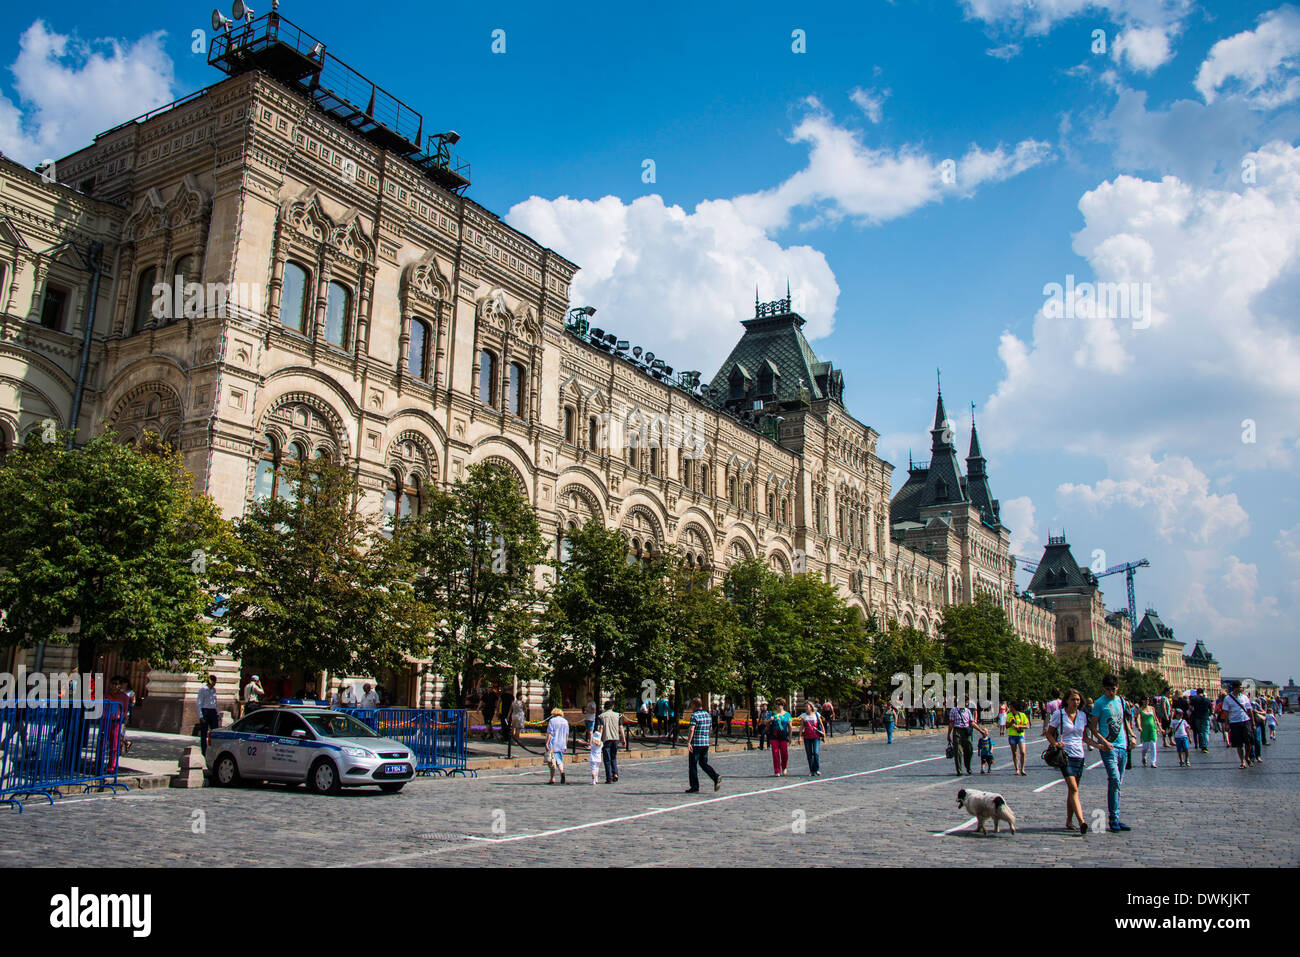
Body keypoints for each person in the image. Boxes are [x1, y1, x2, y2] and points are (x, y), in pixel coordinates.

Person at [1046, 689, 1108, 834]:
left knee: (1073, 791)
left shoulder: (1082, 716)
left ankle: (1069, 820)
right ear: (1066, 700)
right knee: (1073, 788)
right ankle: (1082, 822)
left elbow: (1084, 737)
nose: (1076, 702)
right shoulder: (1059, 714)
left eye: (1078, 700)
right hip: (1065, 755)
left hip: (1079, 755)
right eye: (1073, 699)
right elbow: (1049, 733)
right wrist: (1056, 744)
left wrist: (1098, 745)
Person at [1090, 674, 1134, 832]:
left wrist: (1132, 736)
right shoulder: (1099, 704)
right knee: (1114, 779)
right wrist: (1104, 742)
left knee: (1118, 784)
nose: (1111, 692)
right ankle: (1113, 818)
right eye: (1108, 690)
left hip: (1123, 746)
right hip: (1109, 748)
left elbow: (1124, 721)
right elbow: (1093, 727)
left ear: (1117, 687)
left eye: (1113, 689)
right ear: (1104, 689)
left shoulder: (1121, 701)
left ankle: (1115, 817)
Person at [686, 698, 721, 793]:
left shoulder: (694, 715)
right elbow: (710, 729)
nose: (691, 707)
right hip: (705, 743)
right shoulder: (707, 715)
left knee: (693, 765)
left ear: (694, 705)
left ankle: (694, 786)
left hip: (696, 744)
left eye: (692, 705)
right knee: (703, 763)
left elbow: (692, 729)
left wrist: (689, 742)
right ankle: (715, 776)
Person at [947, 697, 987, 776]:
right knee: (958, 751)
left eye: (967, 703)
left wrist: (981, 731)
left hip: (966, 731)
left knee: (969, 749)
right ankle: (959, 770)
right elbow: (951, 723)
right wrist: (948, 734)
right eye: (966, 702)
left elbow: (971, 723)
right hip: (957, 731)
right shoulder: (953, 710)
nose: (967, 704)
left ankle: (968, 766)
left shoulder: (968, 711)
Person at [1222, 680, 1254, 768]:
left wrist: (1253, 722)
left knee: (1249, 742)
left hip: (1245, 721)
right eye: (1240, 687)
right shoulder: (1228, 698)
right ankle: (1242, 761)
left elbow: (1249, 710)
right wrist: (1227, 724)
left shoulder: (1244, 697)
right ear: (1236, 688)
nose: (1242, 688)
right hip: (1235, 722)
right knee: (1239, 744)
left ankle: (1247, 757)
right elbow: (1226, 712)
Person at [104, 675, 132, 772]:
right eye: (114, 684)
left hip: (116, 722)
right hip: (105, 721)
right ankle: (99, 763)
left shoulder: (124, 697)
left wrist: (122, 722)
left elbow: (124, 710)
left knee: (114, 745)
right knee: (102, 744)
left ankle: (111, 765)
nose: (115, 686)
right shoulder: (106, 696)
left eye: (118, 684)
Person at [598, 700, 627, 783]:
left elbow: (601, 728)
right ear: (612, 707)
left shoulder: (601, 716)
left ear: (605, 707)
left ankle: (609, 778)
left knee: (607, 759)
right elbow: (621, 727)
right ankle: (615, 773)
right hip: (615, 738)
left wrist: (598, 739)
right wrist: (623, 739)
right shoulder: (617, 715)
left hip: (606, 738)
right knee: (613, 757)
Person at [767, 699, 792, 776]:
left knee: (784, 754)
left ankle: (784, 767)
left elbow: (790, 726)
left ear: (783, 705)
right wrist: (769, 720)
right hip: (774, 736)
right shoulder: (772, 713)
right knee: (775, 753)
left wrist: (790, 737)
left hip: (783, 736)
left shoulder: (787, 715)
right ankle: (777, 770)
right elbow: (764, 722)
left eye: (779, 704)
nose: (777, 706)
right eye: (776, 704)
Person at [197, 674, 220, 754]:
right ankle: (204, 750)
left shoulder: (214, 690)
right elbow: (199, 703)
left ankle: (214, 749)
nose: (214, 684)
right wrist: (200, 715)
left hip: (213, 711)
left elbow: (215, 702)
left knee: (215, 731)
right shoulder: (203, 690)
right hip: (205, 711)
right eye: (214, 682)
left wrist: (217, 713)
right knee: (204, 732)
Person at [545, 708, 569, 784]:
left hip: (554, 743)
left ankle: (552, 778)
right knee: (559, 759)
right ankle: (562, 772)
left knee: (552, 761)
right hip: (562, 743)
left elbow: (550, 733)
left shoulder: (552, 721)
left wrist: (547, 742)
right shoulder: (565, 721)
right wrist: (565, 745)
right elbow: (567, 735)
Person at [801, 701, 824, 776]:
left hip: (816, 736)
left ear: (811, 707)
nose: (806, 708)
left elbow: (821, 724)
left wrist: (824, 735)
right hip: (807, 736)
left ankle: (817, 769)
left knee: (816, 753)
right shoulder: (803, 716)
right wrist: (799, 737)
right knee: (809, 754)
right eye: (805, 707)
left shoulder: (816, 715)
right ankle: (811, 770)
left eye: (807, 707)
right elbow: (801, 727)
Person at [1006, 701, 1028, 774]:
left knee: (1023, 752)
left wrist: (1019, 726)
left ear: (1014, 707)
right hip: (1012, 736)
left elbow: (1027, 726)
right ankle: (1017, 769)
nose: (1010, 708)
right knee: (1014, 753)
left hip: (1020, 735)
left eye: (1011, 707)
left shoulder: (1022, 715)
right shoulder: (1009, 715)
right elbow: (1006, 726)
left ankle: (1023, 769)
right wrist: (1011, 722)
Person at [1139, 697, 1159, 768]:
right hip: (1145, 730)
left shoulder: (1152, 708)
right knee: (1145, 747)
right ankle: (1144, 757)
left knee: (1153, 745)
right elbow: (1138, 718)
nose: (1147, 701)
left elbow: (1155, 718)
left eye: (1148, 700)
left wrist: (1159, 727)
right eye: (1145, 699)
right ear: (1142, 700)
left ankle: (1153, 762)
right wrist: (1139, 726)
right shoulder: (1140, 709)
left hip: (1152, 729)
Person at [1190, 688, 1211, 754]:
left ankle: (1201, 744)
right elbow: (1211, 709)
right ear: (1203, 692)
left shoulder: (1194, 699)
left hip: (1197, 717)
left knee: (1200, 731)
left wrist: (1193, 711)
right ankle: (1205, 746)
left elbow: (1190, 707)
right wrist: (1209, 714)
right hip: (1205, 717)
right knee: (1206, 732)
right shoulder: (1207, 700)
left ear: (1197, 692)